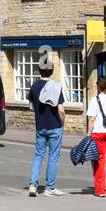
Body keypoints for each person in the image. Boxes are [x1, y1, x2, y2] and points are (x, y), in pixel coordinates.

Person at [27, 58, 66, 197]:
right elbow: (61, 110)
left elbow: (31, 106)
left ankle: (33, 185)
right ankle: (50, 187)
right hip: (55, 125)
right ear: (52, 71)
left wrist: (39, 111)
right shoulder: (56, 87)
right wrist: (62, 123)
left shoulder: (34, 86)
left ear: (39, 70)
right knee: (53, 156)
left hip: (40, 126)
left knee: (38, 155)